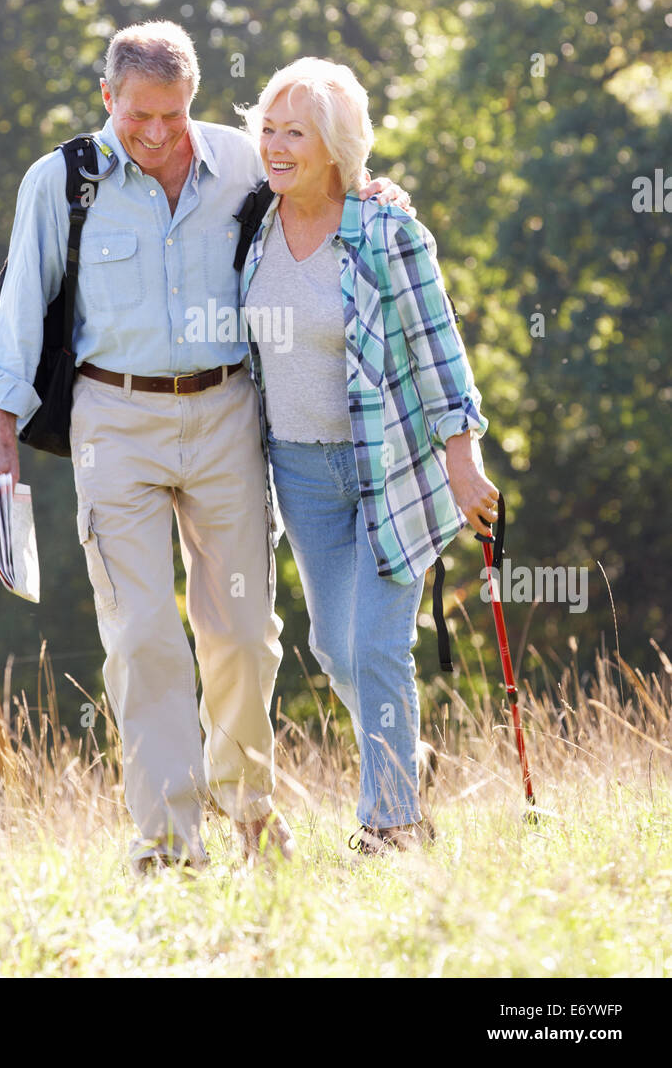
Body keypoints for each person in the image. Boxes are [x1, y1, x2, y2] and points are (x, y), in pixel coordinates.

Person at [0, 23, 408, 871]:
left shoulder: (242, 163)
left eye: (174, 113)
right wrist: (1, 446)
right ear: (108, 99)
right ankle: (168, 843)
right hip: (114, 421)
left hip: (225, 416)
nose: (160, 132)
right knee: (143, 636)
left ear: (195, 100)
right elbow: (20, 312)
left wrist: (370, 194)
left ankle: (250, 816)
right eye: (140, 115)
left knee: (242, 631)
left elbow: (316, 181)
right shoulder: (62, 183)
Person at [238, 57, 499, 854]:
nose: (276, 147)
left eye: (296, 133)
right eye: (268, 130)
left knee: (375, 645)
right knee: (332, 649)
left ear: (336, 145)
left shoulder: (388, 229)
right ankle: (404, 760)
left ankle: (392, 824)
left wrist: (464, 455)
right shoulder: (252, 218)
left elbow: (436, 347)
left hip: (392, 468)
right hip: (300, 470)